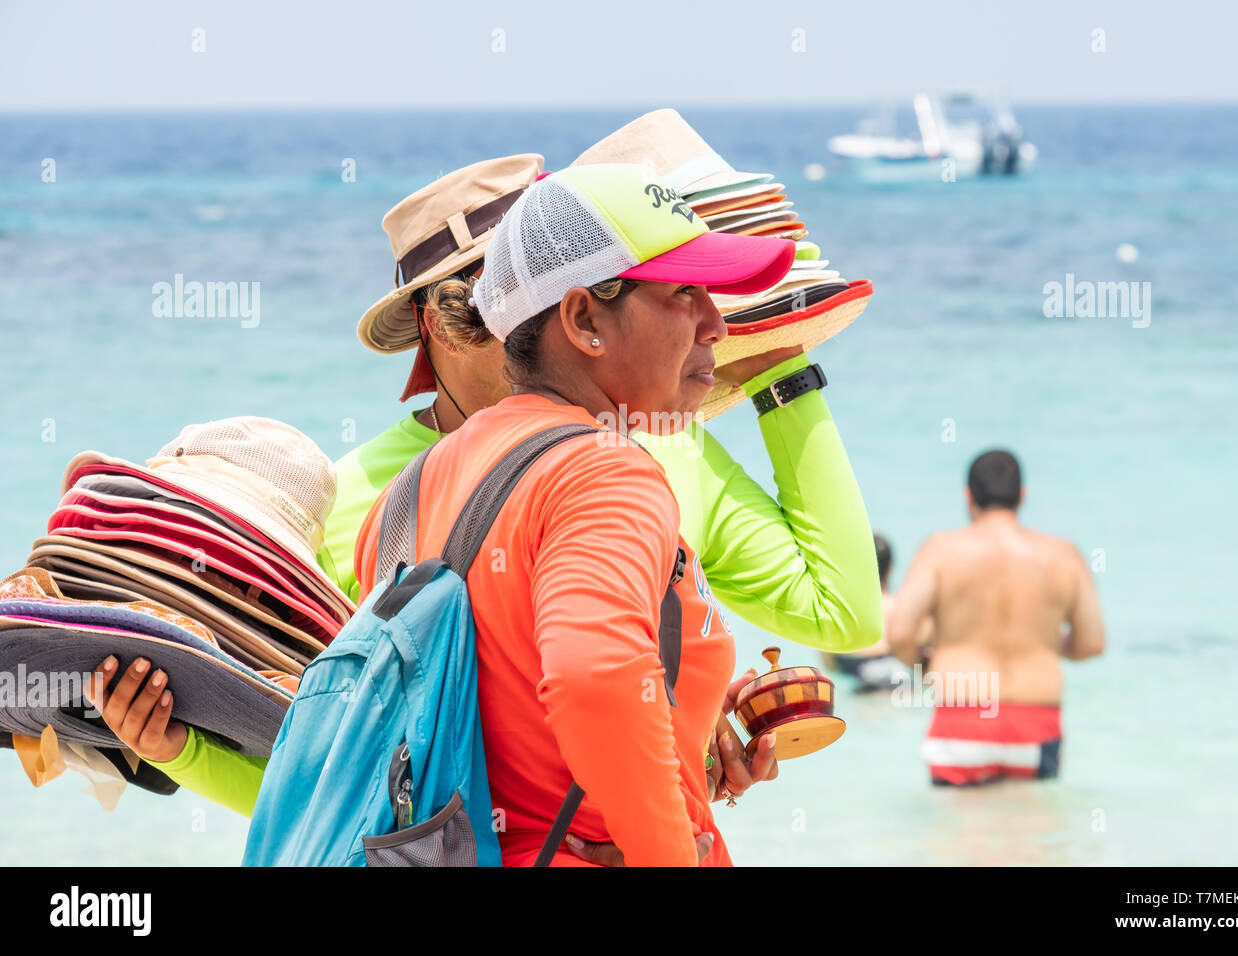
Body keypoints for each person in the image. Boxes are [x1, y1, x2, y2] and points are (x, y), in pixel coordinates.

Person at [90, 148, 879, 857]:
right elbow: (593, 680)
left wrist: (679, 747)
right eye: (684, 294)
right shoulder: (610, 471)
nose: (717, 321)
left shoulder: (410, 493)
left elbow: (442, 745)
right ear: (581, 319)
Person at [887, 449, 1105, 786]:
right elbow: (1091, 643)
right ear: (1022, 495)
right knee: (1033, 835)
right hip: (1036, 721)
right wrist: (1043, 642)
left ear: (968, 496)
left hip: (962, 718)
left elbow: (900, 634)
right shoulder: (1063, 554)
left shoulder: (941, 550)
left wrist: (924, 664)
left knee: (958, 836)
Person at [824, 534, 926, 691]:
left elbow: (829, 664)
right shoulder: (903, 611)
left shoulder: (841, 615)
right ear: (890, 568)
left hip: (859, 691)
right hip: (900, 686)